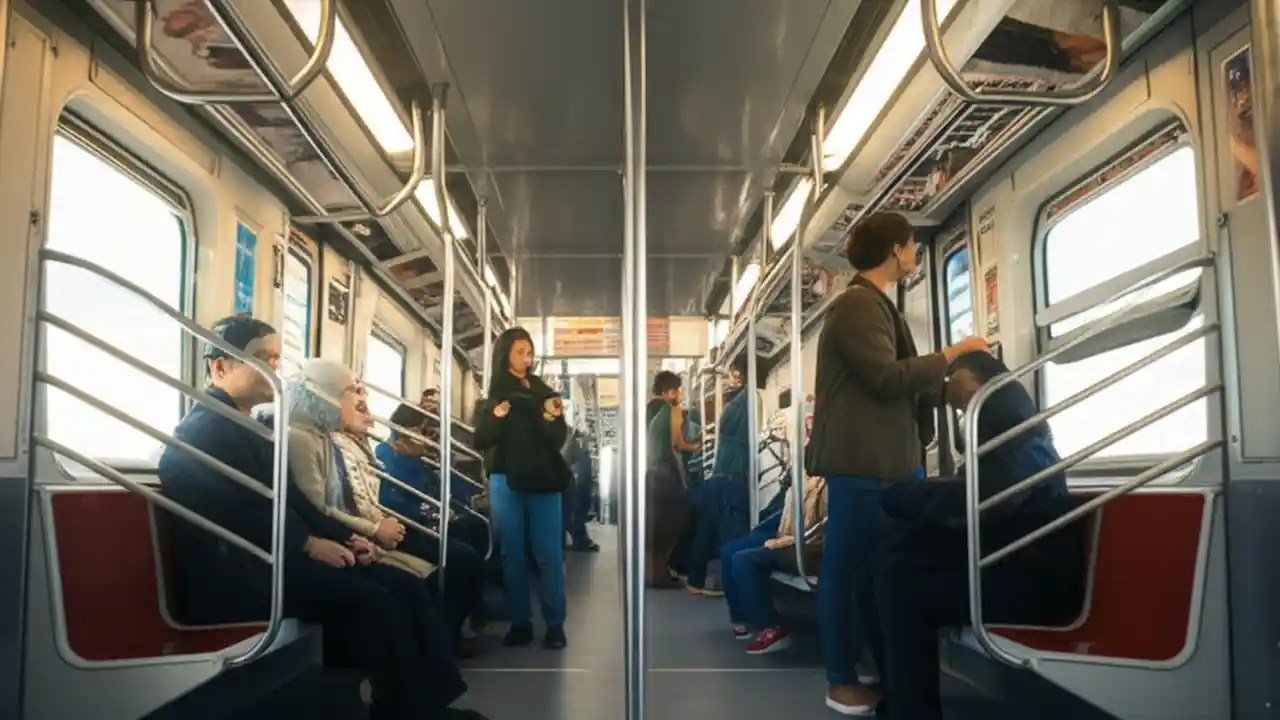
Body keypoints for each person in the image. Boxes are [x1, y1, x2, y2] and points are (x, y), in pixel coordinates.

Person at [157, 316, 482, 719]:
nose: (272, 367)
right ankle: (401, 709)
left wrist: (344, 540)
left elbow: (295, 503)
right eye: (261, 357)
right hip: (242, 569)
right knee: (373, 599)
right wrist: (308, 544)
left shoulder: (246, 428)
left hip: (272, 555)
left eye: (276, 358)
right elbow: (234, 507)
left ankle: (419, 705)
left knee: (400, 586)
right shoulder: (205, 430)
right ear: (219, 367)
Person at [807, 211, 988, 715]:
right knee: (846, 572)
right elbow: (885, 379)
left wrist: (948, 386)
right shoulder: (857, 307)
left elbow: (894, 382)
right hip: (866, 463)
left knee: (870, 572)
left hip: (883, 461)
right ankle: (840, 680)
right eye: (911, 245)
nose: (913, 254)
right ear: (895, 250)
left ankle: (871, 669)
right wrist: (952, 354)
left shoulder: (875, 306)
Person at [875, 352, 1086, 719]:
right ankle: (898, 701)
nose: (950, 394)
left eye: (953, 381)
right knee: (889, 565)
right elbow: (981, 498)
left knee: (904, 591)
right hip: (1013, 559)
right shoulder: (1007, 426)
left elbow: (985, 499)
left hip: (1036, 583)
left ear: (978, 378)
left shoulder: (1017, 430)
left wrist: (902, 495)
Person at [473, 327, 572, 650]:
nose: (525, 359)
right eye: (519, 352)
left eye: (528, 352)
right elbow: (482, 439)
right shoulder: (493, 399)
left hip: (543, 480)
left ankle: (555, 624)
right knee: (511, 554)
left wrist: (548, 416)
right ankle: (520, 623)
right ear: (505, 355)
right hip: (506, 479)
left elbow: (557, 439)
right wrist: (499, 416)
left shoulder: (545, 393)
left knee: (548, 555)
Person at [724, 475, 827, 654]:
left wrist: (784, 542)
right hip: (791, 535)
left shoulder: (828, 486)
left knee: (742, 559)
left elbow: (818, 532)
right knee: (732, 552)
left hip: (810, 547)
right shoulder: (802, 479)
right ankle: (748, 619)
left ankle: (769, 626)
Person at [377, 402, 490, 557]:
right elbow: (397, 502)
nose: (429, 438)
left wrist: (442, 458)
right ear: (406, 433)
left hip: (435, 518)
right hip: (413, 527)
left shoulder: (424, 460)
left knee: (478, 526)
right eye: (424, 432)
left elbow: (457, 494)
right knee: (464, 554)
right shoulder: (386, 459)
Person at [685, 359, 753, 597]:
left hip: (717, 477)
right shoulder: (749, 402)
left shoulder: (732, 405)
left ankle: (695, 580)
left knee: (704, 534)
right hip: (734, 479)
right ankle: (736, 590)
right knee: (732, 537)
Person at [645, 371, 700, 588]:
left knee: (657, 527)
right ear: (669, 392)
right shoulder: (673, 410)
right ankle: (661, 575)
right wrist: (698, 444)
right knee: (674, 522)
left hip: (652, 473)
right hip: (667, 474)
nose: (680, 394)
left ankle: (656, 573)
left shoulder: (653, 414)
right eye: (677, 390)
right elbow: (678, 443)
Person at [562, 429, 599, 552]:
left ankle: (579, 539)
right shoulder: (570, 439)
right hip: (568, 478)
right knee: (573, 510)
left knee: (570, 510)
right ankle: (580, 539)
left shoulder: (567, 437)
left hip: (566, 478)